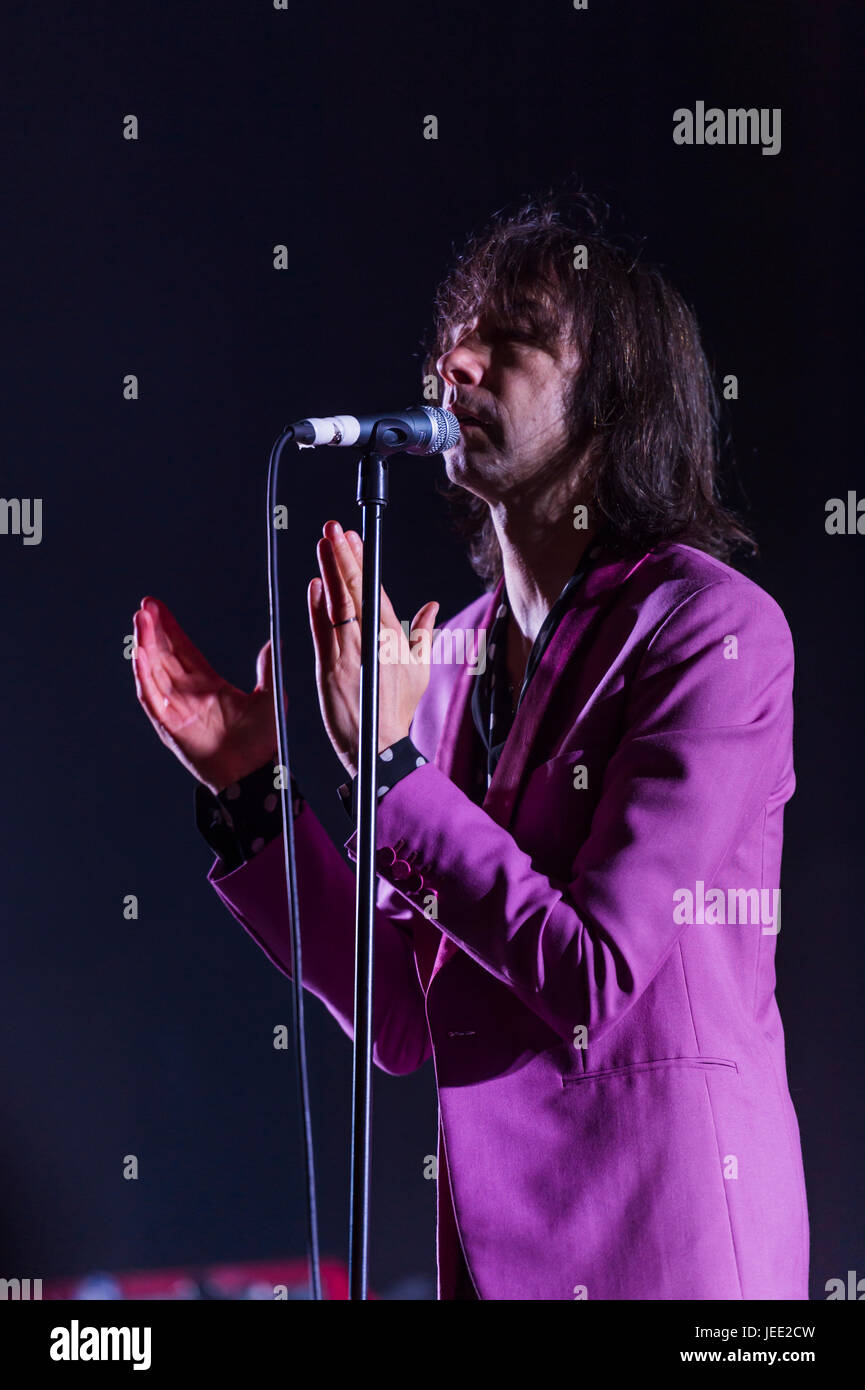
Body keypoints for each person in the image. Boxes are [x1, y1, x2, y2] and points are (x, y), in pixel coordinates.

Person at [132, 193, 809, 1300]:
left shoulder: (714, 631)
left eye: (513, 338)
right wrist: (257, 794)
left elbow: (594, 973)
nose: (456, 358)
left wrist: (390, 775)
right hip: (495, 1267)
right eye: (456, 332)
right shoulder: (442, 657)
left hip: (670, 1254)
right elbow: (404, 1011)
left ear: (611, 405)